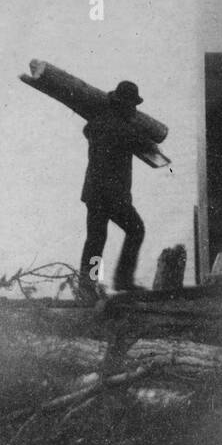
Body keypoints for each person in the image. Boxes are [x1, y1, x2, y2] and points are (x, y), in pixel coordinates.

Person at [78, 81, 151, 300]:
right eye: (132, 105)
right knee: (136, 229)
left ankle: (87, 286)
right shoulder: (124, 128)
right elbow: (144, 144)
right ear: (124, 105)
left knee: (96, 238)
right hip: (113, 195)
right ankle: (123, 279)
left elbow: (87, 129)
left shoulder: (97, 123)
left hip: (94, 192)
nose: (134, 110)